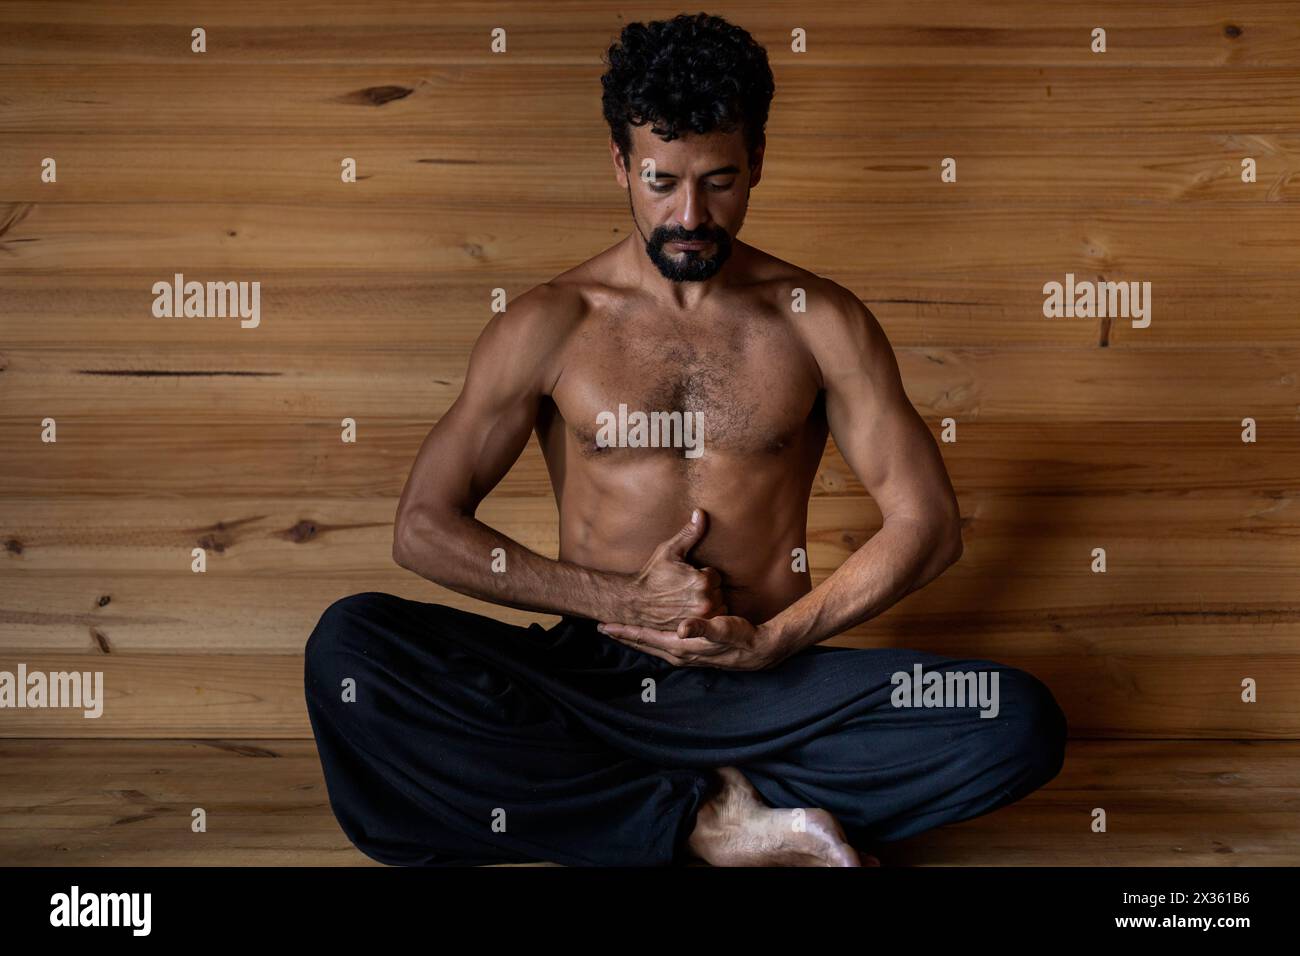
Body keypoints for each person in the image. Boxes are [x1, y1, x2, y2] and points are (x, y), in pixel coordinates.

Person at [304, 12, 1066, 867]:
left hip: (768, 681)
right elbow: (424, 527)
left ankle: (635, 802)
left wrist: (777, 642)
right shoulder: (550, 322)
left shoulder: (819, 320)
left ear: (759, 164)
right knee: (354, 649)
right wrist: (616, 603)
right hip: (591, 674)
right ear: (621, 165)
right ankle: (716, 825)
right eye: (662, 182)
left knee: (1013, 718)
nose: (690, 214)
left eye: (721, 181)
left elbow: (927, 525)